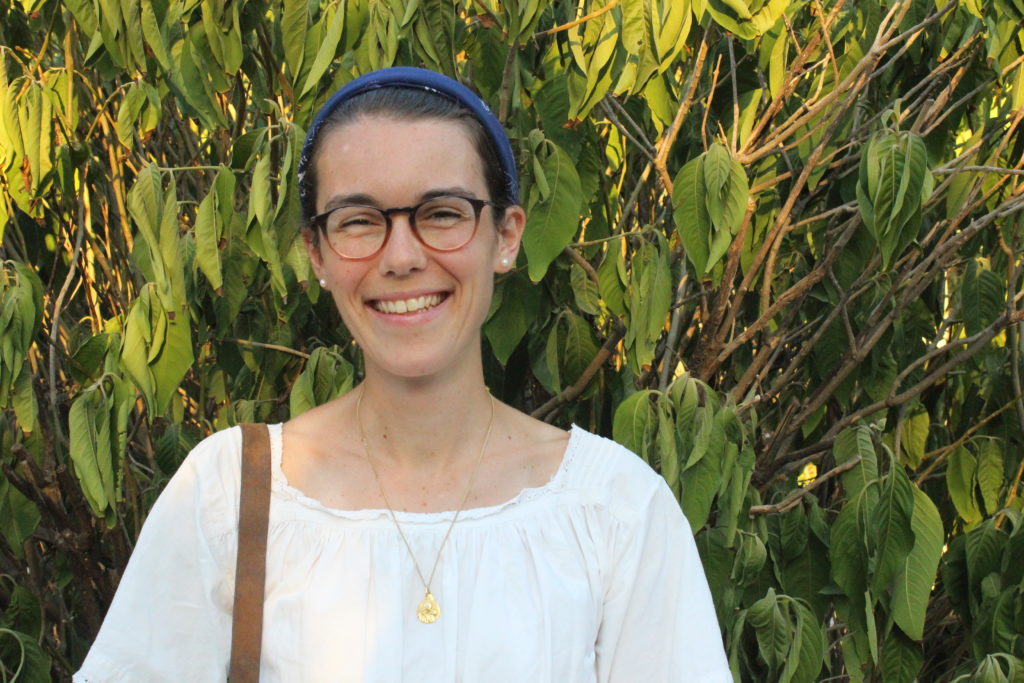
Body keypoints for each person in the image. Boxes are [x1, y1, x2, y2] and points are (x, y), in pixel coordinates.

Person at [74, 67, 731, 682]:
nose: (403, 256)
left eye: (442, 213)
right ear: (317, 252)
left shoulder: (612, 512)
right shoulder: (230, 497)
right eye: (360, 222)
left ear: (505, 235)